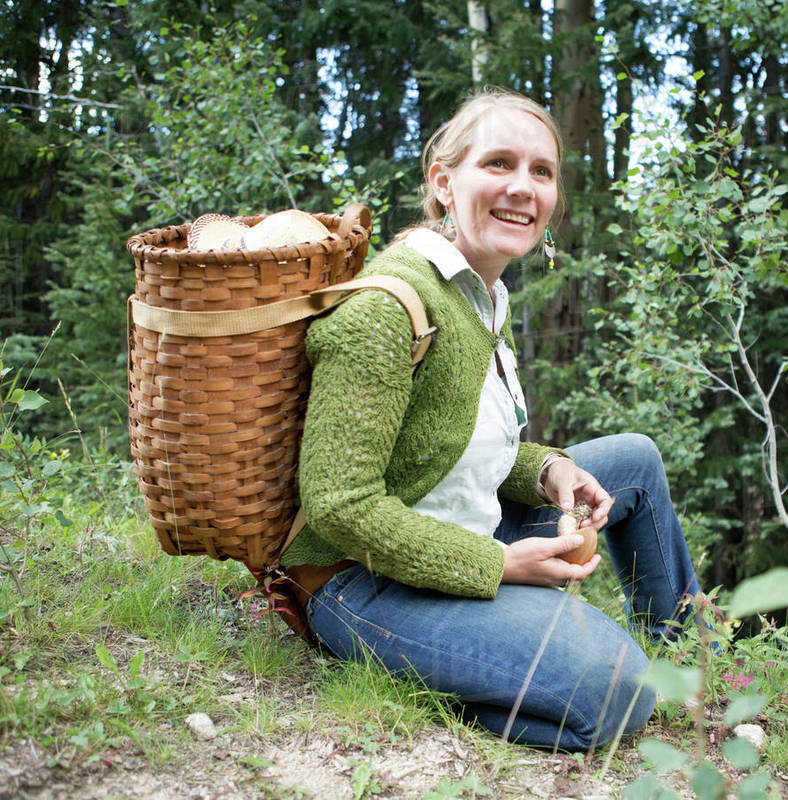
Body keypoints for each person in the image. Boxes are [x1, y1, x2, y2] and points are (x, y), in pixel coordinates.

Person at [280, 88, 705, 751]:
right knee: (616, 684)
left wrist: (550, 470)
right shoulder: (387, 309)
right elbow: (338, 506)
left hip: (452, 523)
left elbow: (449, 444)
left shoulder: (480, 293)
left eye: (541, 171)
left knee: (635, 461)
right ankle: (445, 687)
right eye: (498, 164)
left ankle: (687, 670)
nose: (523, 188)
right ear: (444, 183)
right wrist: (499, 563)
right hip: (362, 584)